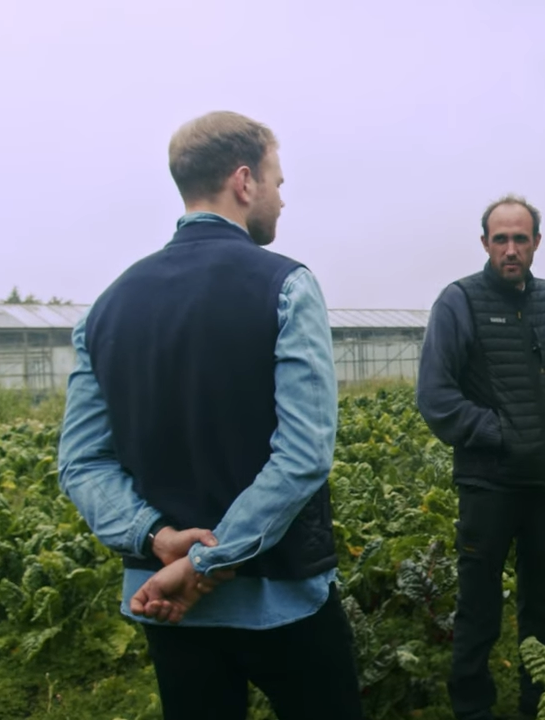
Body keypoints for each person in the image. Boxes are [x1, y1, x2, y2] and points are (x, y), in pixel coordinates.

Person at [56, 111, 363, 720]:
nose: (281, 196)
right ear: (244, 182)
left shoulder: (108, 306)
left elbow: (82, 463)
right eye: (278, 180)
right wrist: (205, 564)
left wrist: (158, 539)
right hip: (281, 597)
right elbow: (302, 455)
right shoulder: (286, 285)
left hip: (164, 598)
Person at [417, 194, 545, 720]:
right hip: (487, 484)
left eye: (520, 238)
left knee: (542, 598)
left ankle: (540, 700)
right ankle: (472, 704)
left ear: (536, 242)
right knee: (479, 603)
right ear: (485, 243)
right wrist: (504, 433)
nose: (510, 249)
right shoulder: (459, 302)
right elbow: (436, 397)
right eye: (500, 239)